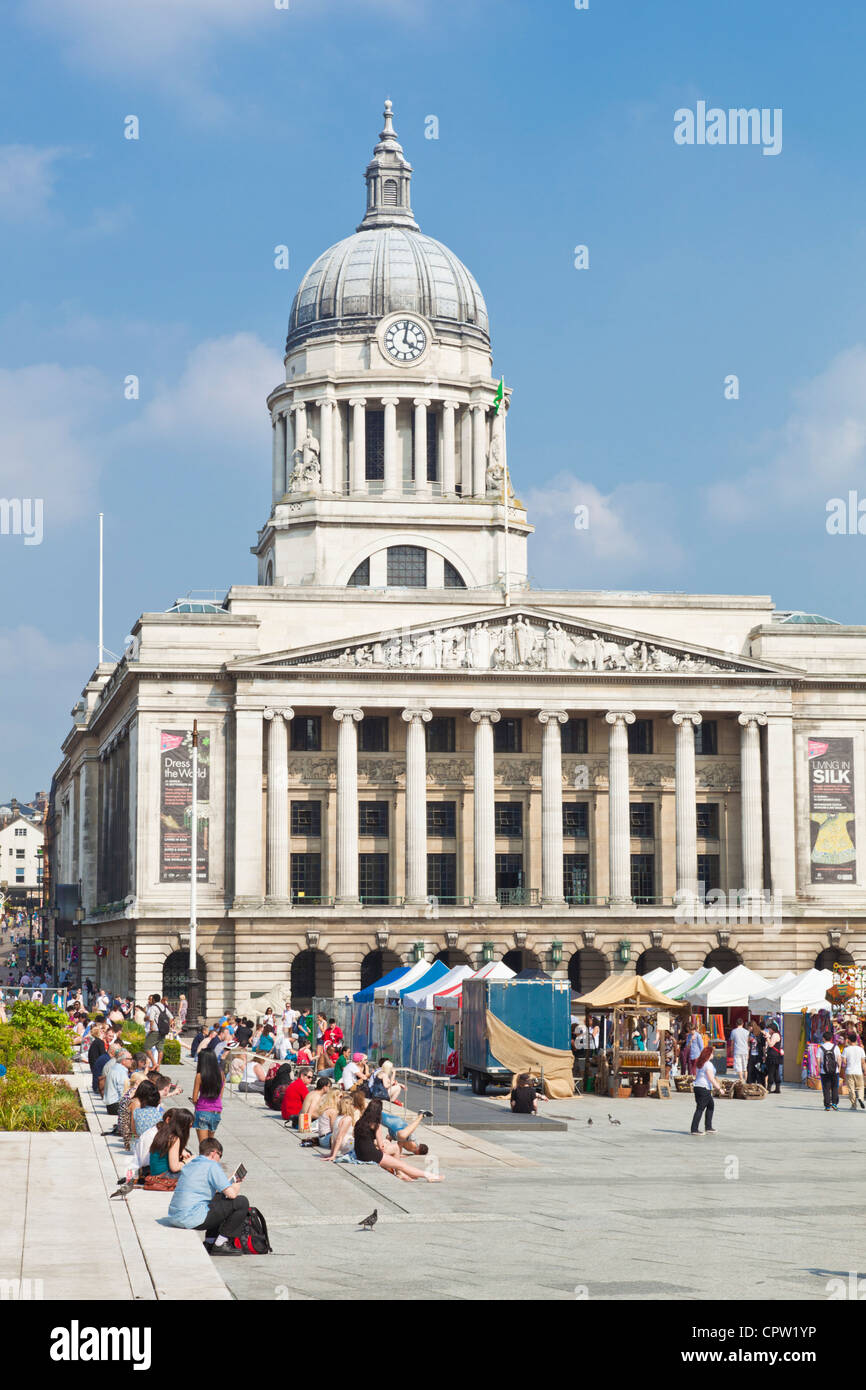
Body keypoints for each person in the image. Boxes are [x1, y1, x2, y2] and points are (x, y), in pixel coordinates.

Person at [166, 1136, 248, 1256]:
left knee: (219, 1199)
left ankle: (210, 1241)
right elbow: (232, 1195)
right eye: (220, 1156)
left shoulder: (191, 1164)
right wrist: (238, 1182)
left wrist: (228, 1182)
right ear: (214, 1153)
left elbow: (211, 1192)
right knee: (241, 1202)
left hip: (175, 1216)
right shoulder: (212, 1165)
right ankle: (221, 1243)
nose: (219, 1160)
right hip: (191, 1218)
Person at [353, 1098, 443, 1183]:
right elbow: (381, 1147)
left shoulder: (359, 1122)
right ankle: (429, 1175)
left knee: (396, 1150)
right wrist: (385, 1148)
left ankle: (400, 1173)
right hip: (371, 1155)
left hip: (359, 1154)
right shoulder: (376, 1125)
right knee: (402, 1165)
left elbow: (362, 1139)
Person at [143, 1108, 194, 1187]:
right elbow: (174, 1167)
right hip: (165, 1176)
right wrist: (188, 1161)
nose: (190, 1128)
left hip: (155, 1173)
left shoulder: (163, 1133)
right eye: (190, 1126)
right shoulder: (174, 1139)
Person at [192, 1048, 226, 1144]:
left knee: (203, 1145)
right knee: (210, 1144)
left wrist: (196, 1103)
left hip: (202, 1110)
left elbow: (194, 1098)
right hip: (216, 1112)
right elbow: (220, 1095)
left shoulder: (200, 1075)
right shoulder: (221, 1074)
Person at [690, 1045, 722, 1135]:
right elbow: (711, 1078)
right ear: (708, 1054)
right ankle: (694, 1129)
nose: (713, 1055)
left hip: (698, 1087)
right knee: (700, 1108)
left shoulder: (701, 1062)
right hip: (704, 1088)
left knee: (710, 1105)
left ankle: (708, 1127)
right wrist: (719, 1088)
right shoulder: (708, 1064)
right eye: (712, 1053)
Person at [103, 1048, 134, 1116]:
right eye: (130, 1059)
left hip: (111, 1105)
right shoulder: (120, 1071)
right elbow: (123, 1092)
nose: (132, 1061)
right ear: (123, 1061)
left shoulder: (116, 1068)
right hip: (115, 1106)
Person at [842, 1032, 866, 1111]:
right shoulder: (860, 1049)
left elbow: (844, 1061)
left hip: (849, 1071)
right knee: (860, 1087)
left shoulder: (846, 1049)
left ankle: (853, 1105)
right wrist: (865, 1071)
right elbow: (863, 1062)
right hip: (858, 1072)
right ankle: (861, 1098)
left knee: (851, 1089)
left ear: (848, 1040)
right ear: (856, 1040)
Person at [819, 1029, 842, 1111]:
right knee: (834, 1088)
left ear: (823, 1038)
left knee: (826, 1089)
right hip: (835, 1071)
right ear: (831, 1038)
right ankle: (835, 1104)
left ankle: (827, 1106)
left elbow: (819, 1060)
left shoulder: (820, 1048)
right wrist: (838, 1069)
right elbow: (839, 1059)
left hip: (824, 1071)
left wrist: (819, 1069)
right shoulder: (836, 1047)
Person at [765, 1023, 783, 1094]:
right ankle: (777, 1088)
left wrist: (767, 1038)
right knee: (775, 1072)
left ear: (772, 1029)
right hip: (775, 1056)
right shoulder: (775, 1034)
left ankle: (769, 1088)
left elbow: (771, 1044)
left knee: (771, 1072)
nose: (768, 1030)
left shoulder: (775, 1035)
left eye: (769, 1029)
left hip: (773, 1056)